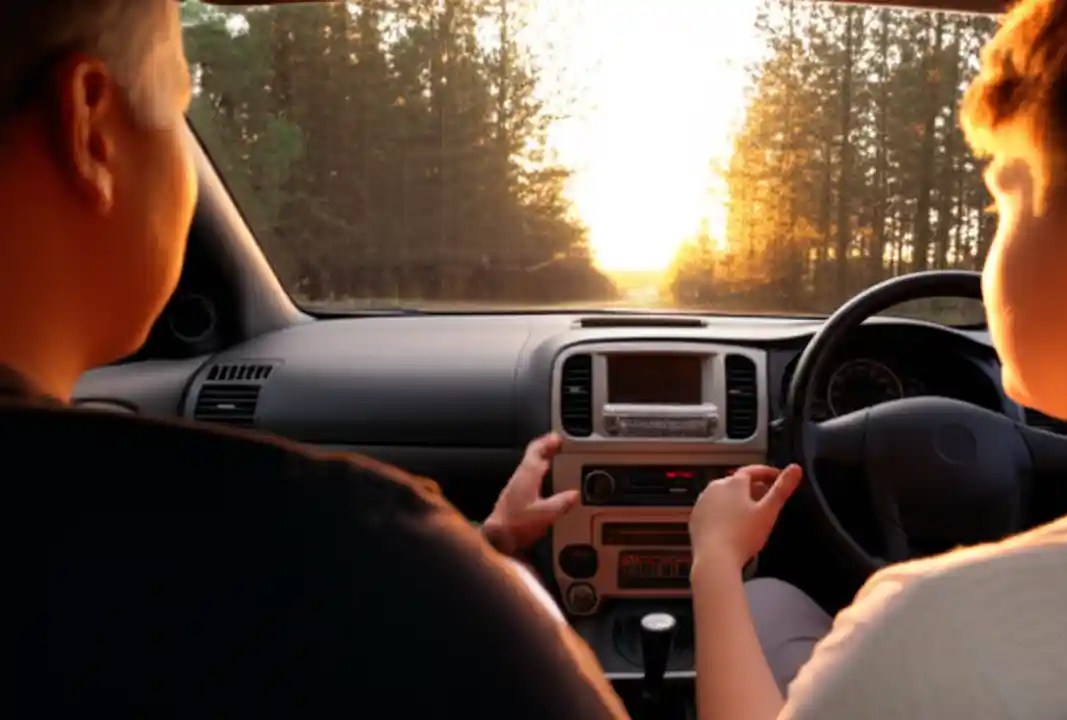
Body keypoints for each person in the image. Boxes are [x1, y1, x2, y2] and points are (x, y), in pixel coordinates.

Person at [0, 1, 622, 715]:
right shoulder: (368, 575)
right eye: (181, 103)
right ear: (92, 131)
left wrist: (489, 554)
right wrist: (488, 586)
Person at [688, 1, 1067, 718]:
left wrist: (715, 562)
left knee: (767, 598)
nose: (985, 247)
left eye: (1002, 203)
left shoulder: (934, 641)